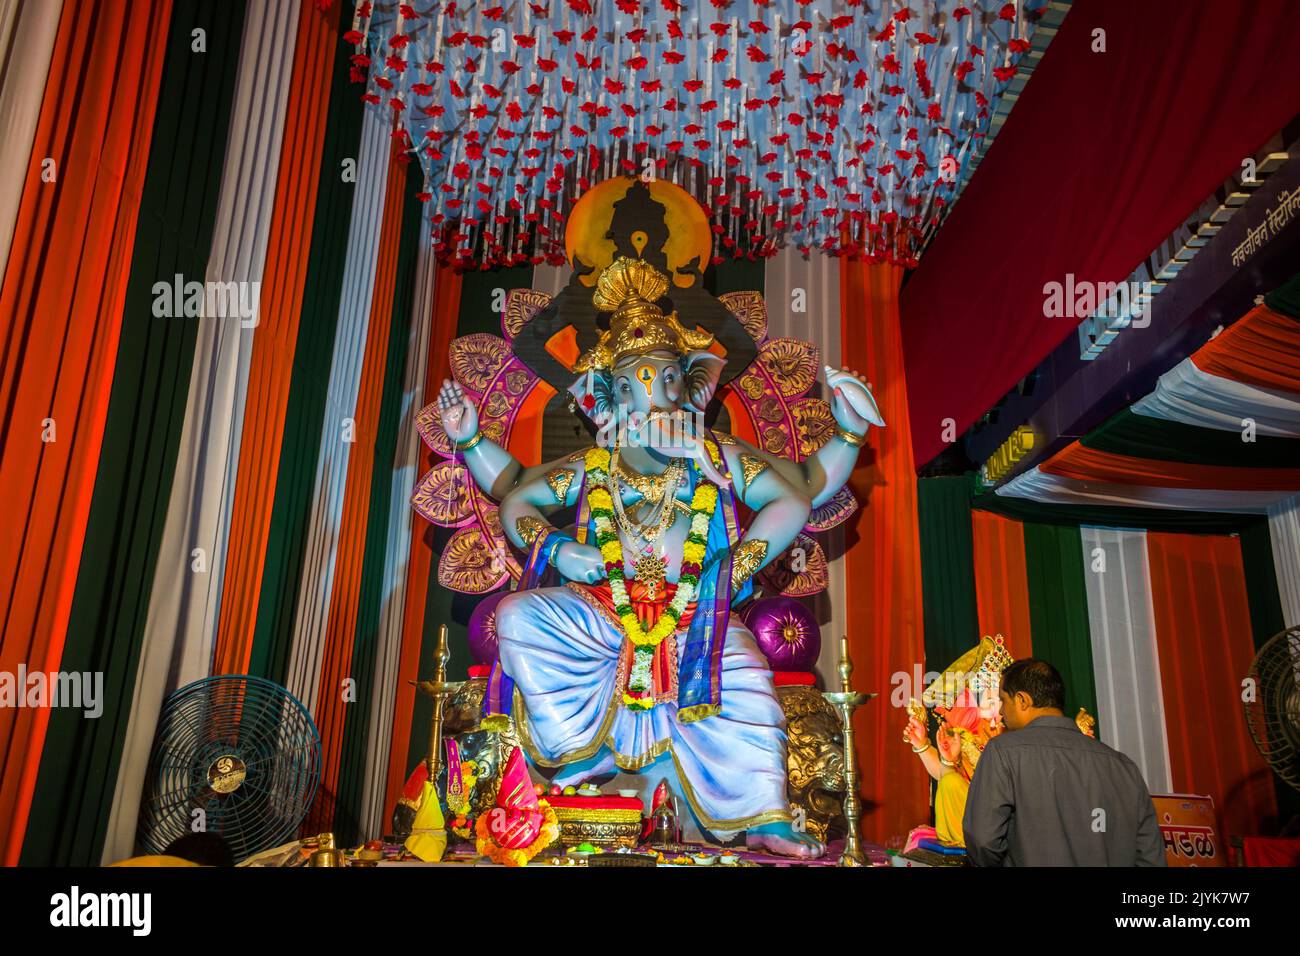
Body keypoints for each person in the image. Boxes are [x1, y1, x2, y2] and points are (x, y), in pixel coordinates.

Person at [963, 658, 1165, 866]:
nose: (1002, 711)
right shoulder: (1123, 767)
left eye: (1003, 700)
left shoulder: (1003, 753)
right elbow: (1150, 856)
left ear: (1022, 700)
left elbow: (983, 841)